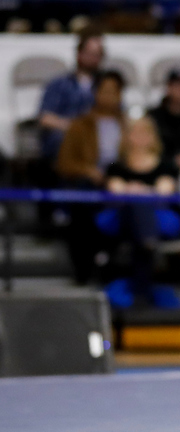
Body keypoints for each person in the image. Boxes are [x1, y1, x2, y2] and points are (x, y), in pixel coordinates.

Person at [97, 117, 180, 309]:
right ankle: (147, 243)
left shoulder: (166, 165)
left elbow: (165, 192)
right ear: (126, 136)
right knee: (137, 207)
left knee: (141, 206)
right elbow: (116, 191)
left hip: (158, 217)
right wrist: (145, 192)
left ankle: (145, 243)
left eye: (145, 133)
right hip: (122, 217)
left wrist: (137, 191)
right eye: (135, 132)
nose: (139, 138)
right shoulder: (116, 166)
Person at [55, 69, 125, 284]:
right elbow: (64, 163)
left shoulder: (129, 124)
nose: (110, 96)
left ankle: (114, 269)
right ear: (95, 93)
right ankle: (84, 271)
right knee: (82, 206)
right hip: (89, 184)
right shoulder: (79, 125)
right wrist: (88, 170)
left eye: (115, 91)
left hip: (122, 183)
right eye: (105, 91)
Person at [38, 29, 104, 166]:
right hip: (65, 134)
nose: (93, 58)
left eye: (97, 55)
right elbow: (45, 118)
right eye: (89, 53)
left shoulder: (105, 85)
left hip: (98, 136)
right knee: (66, 140)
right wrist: (75, 128)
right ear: (79, 54)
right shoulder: (59, 84)